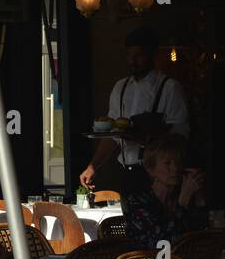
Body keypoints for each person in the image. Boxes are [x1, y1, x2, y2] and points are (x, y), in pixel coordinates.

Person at [80, 26, 190, 193]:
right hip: (127, 172)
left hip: (158, 176)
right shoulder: (121, 87)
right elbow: (113, 136)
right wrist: (93, 166)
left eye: (138, 55)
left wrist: (150, 136)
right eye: (129, 55)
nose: (132, 61)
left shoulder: (169, 88)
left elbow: (180, 136)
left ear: (152, 54)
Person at [123, 136, 208, 250]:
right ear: (151, 169)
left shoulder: (179, 195)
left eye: (178, 162)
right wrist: (183, 202)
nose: (175, 168)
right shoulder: (138, 202)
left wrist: (199, 197)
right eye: (167, 163)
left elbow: (201, 234)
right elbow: (163, 244)